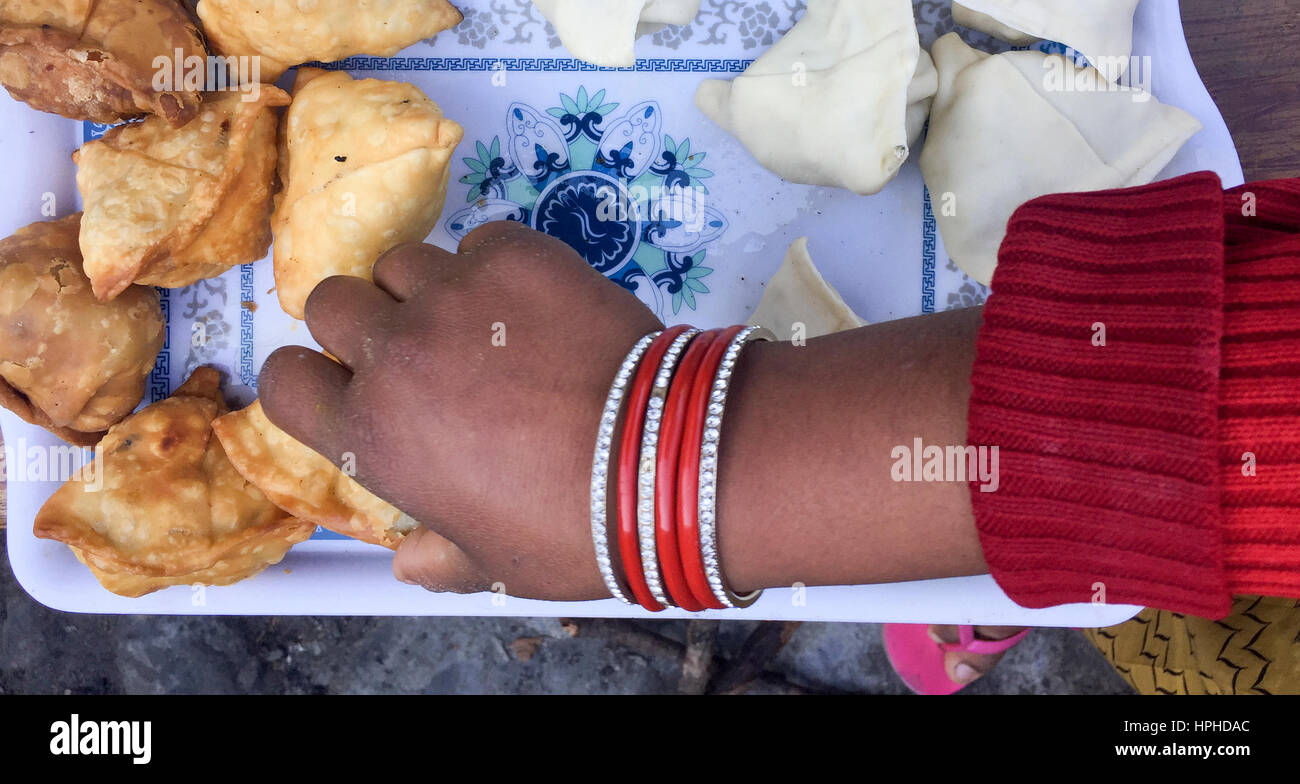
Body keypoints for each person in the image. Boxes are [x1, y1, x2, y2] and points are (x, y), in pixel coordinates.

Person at [258, 171, 1300, 694]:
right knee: (1156, 593)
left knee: (1181, 614)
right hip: (1228, 524)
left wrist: (646, 473)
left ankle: (1011, 568)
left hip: (1225, 511)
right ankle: (1017, 573)